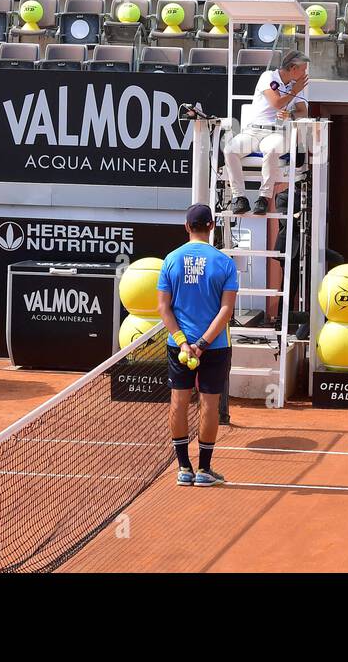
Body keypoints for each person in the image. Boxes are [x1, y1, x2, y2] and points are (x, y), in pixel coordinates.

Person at [157, 203, 238, 487]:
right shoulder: (225, 263)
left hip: (178, 346)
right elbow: (226, 312)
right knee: (209, 405)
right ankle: (203, 470)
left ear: (187, 227)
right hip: (213, 347)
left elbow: (164, 309)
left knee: (178, 404)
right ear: (212, 226)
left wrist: (183, 344)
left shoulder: (170, 260)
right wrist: (201, 345)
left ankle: (183, 468)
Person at [222, 49, 310, 216]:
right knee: (229, 150)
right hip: (253, 130)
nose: (305, 73)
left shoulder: (295, 87)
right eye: (303, 69)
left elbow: (303, 112)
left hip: (279, 132)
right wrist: (295, 91)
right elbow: (276, 102)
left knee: (270, 149)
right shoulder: (268, 77)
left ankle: (263, 197)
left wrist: (290, 114)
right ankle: (239, 197)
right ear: (293, 68)